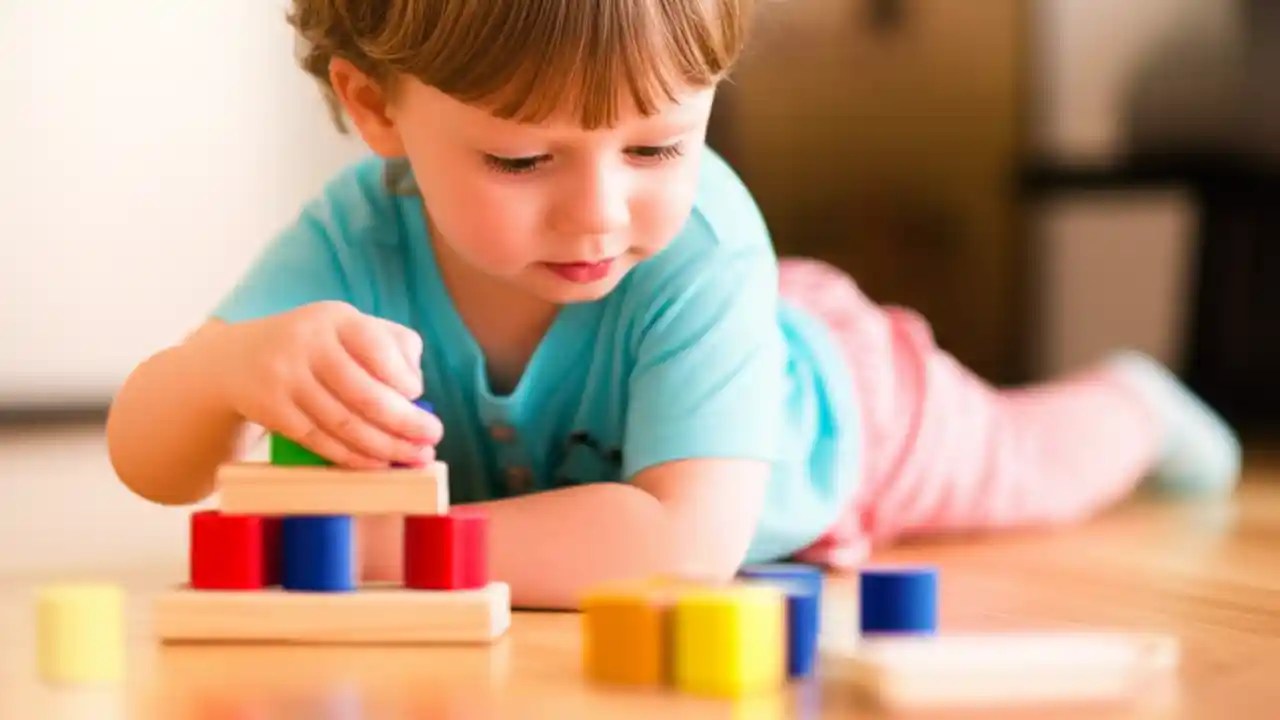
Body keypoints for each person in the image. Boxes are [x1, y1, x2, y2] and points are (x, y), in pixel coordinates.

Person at [105, 0, 1241, 609]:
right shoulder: (353, 231)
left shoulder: (692, 245)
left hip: (844, 417)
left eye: (656, 144)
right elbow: (154, 462)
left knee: (1030, 461)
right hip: (678, 409)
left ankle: (1136, 403)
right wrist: (224, 372)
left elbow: (682, 544)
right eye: (520, 161)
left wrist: (376, 548)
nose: (599, 216)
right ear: (376, 107)